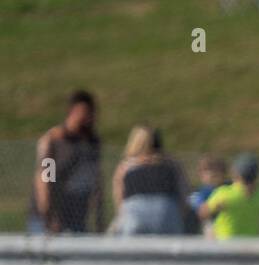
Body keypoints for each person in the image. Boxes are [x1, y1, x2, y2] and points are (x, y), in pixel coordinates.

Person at [30, 90, 102, 234]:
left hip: (77, 215)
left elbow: (97, 179)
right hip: (51, 216)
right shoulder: (54, 141)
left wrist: (100, 216)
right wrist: (48, 214)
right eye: (87, 113)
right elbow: (45, 178)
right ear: (75, 111)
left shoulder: (91, 142)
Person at [110, 126, 188, 235]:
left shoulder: (126, 166)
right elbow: (183, 192)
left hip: (134, 213)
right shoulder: (172, 164)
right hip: (166, 211)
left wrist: (121, 217)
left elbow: (119, 197)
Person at [200, 153, 259, 239]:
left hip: (226, 246)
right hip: (250, 245)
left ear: (236, 173)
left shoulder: (224, 193)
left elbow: (203, 212)